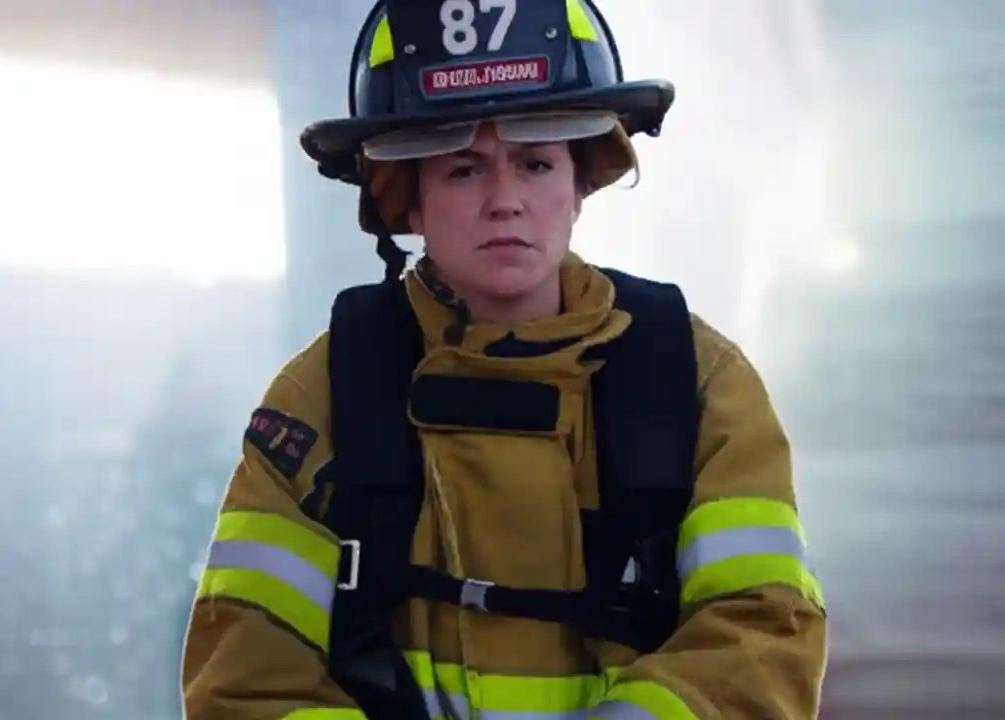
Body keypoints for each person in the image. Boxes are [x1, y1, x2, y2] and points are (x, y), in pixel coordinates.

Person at [181, 1, 827, 718]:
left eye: (537, 162)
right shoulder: (325, 393)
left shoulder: (699, 381)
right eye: (463, 169)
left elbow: (763, 633)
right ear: (409, 199)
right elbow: (246, 679)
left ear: (581, 182)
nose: (505, 201)